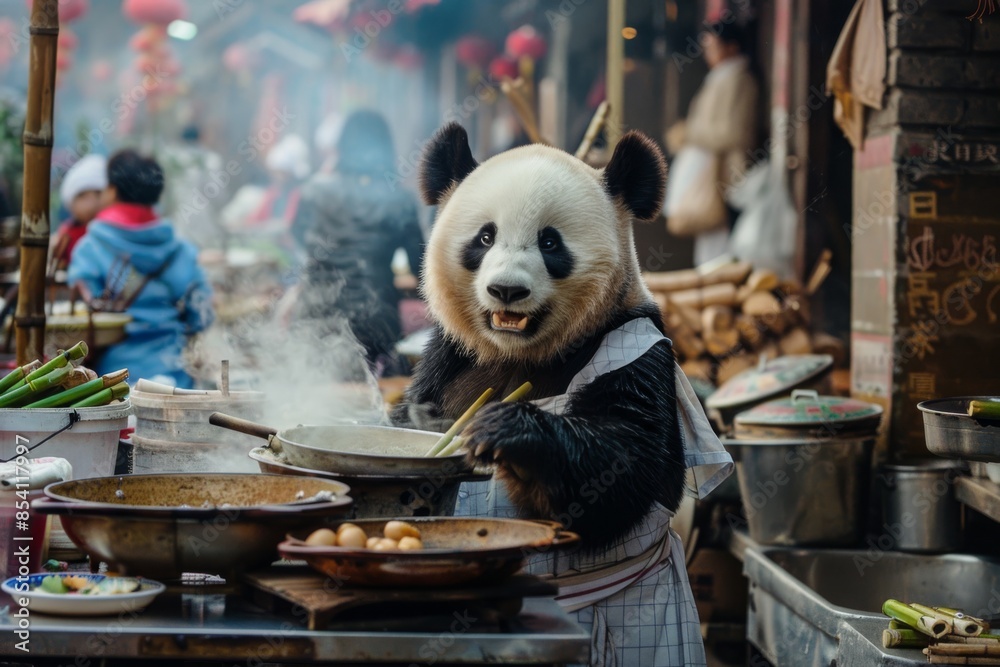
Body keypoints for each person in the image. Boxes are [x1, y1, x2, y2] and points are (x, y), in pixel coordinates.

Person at [68, 150, 214, 388]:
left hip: (110, 387)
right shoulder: (182, 250)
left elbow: (79, 320)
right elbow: (202, 316)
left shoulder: (90, 248)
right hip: (176, 379)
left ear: (112, 190)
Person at [292, 110, 424, 374]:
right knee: (373, 394)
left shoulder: (314, 191)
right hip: (375, 322)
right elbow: (421, 268)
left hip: (317, 316)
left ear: (342, 146)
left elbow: (298, 236)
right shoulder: (400, 200)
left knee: (312, 391)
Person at [665, 21, 758, 266]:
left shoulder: (739, 80)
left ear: (732, 47)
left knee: (720, 246)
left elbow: (734, 133)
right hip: (709, 173)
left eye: (713, 47)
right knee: (710, 244)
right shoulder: (719, 78)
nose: (708, 53)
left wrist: (689, 134)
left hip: (724, 174)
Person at [51, 154, 107, 270]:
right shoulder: (66, 233)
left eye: (97, 194)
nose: (90, 202)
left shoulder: (108, 231)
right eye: (82, 196)